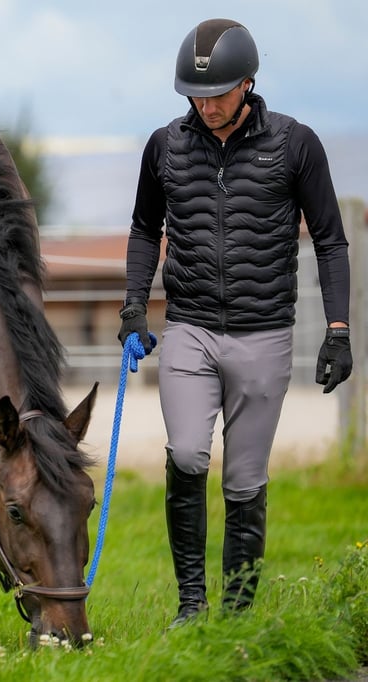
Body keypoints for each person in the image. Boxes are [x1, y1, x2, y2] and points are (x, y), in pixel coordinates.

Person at [118, 18, 353, 628]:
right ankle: (191, 609)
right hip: (189, 327)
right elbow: (146, 230)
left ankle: (237, 619)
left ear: (248, 83)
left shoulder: (295, 145)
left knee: (245, 478)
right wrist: (131, 308)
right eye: (196, 95)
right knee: (190, 453)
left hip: (265, 332)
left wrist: (338, 331)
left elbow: (330, 240)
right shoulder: (164, 146)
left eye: (219, 93)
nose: (207, 104)